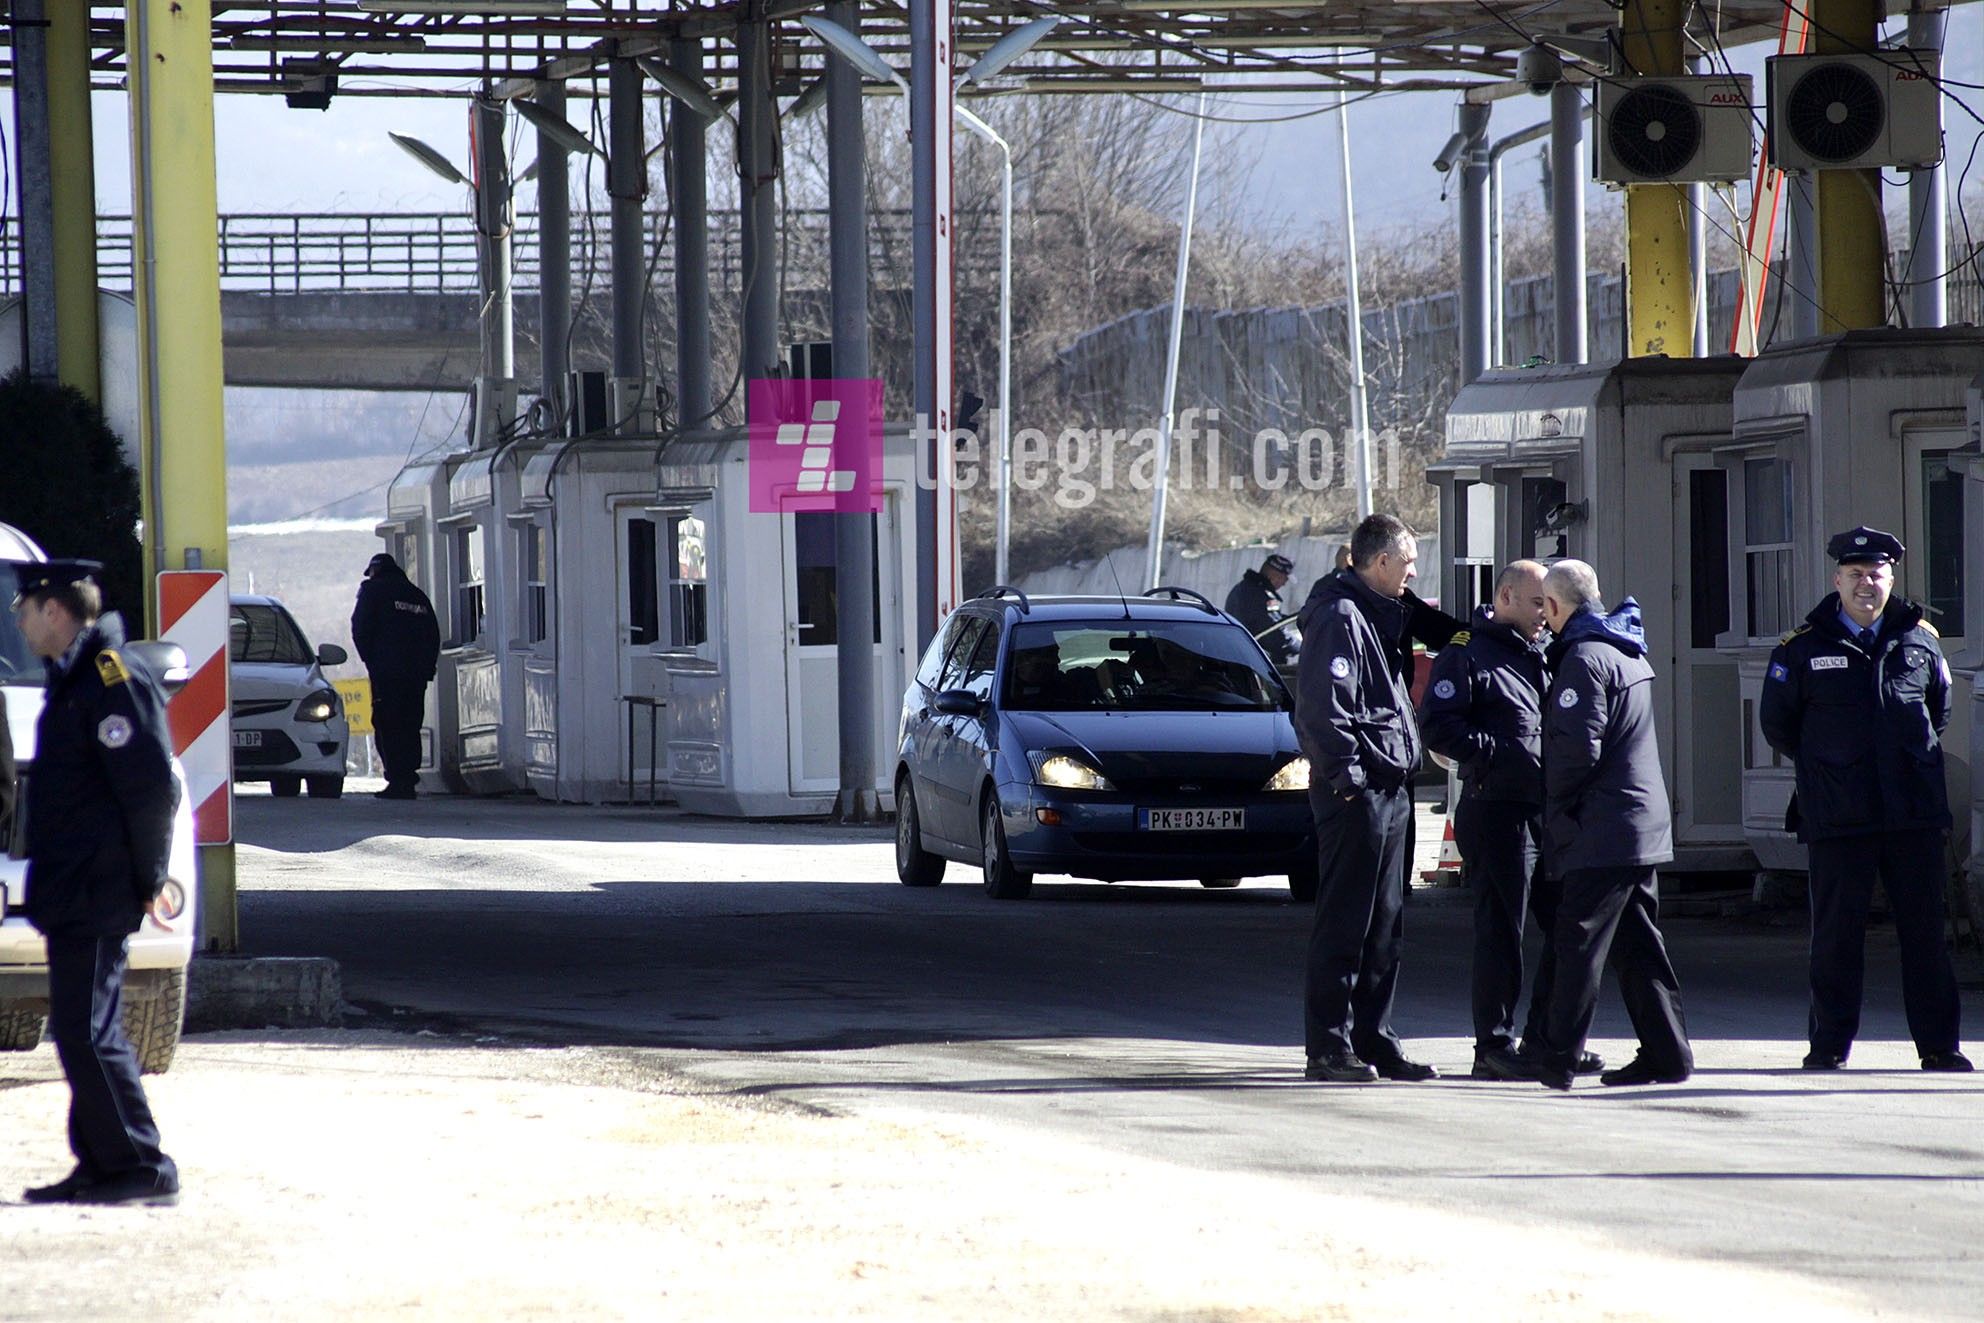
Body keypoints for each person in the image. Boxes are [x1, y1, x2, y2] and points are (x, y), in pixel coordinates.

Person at [1759, 527, 1970, 1073]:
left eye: (1875, 575)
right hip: (1837, 815)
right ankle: (1829, 1045)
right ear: (1837, 581)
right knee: (1835, 938)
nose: (1866, 585)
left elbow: (1937, 713)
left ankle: (1939, 1046)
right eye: (1855, 575)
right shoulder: (1802, 647)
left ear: (1890, 579)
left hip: (1912, 815)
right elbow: (1779, 725)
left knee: (1925, 936)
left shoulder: (1920, 640)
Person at [11, 560, 180, 1206]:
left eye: (23, 610)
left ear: (55, 610)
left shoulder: (113, 676)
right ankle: (102, 1163)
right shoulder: (76, 677)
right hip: (70, 885)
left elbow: (149, 787)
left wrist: (149, 877)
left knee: (89, 1030)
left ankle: (141, 1162)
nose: (19, 624)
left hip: (98, 885)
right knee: (80, 1029)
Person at [1418, 560, 1601, 1082]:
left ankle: (1547, 1040)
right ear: (1504, 597)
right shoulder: (1467, 653)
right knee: (1502, 932)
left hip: (1548, 810)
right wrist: (1499, 753)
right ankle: (1493, 1046)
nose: (1546, 614)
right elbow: (1438, 726)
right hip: (1497, 808)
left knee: (1566, 927)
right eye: (1536, 602)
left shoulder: (1546, 652)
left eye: (1549, 603)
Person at [1292, 513, 1449, 1084]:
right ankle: (1328, 1049)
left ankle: (1375, 1040)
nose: (1412, 572)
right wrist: (1351, 782)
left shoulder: (1379, 613)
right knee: (1346, 923)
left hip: (1391, 791)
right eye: (1407, 563)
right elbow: (1321, 713)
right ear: (1379, 561)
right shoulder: (1339, 617)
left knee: (1385, 925)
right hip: (1357, 796)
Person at [1530, 561, 1692, 1092]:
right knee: (1638, 945)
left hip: (1603, 827)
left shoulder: (1583, 660)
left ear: (1555, 607)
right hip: (1638, 826)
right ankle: (1668, 1053)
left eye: (1544, 609)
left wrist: (1555, 806)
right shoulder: (1624, 647)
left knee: (1577, 943)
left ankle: (1555, 1056)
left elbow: (1576, 751)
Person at [351, 552, 441, 800]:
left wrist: (372, 661)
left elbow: (360, 627)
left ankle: (397, 778)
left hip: (387, 674)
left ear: (375, 571)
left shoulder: (373, 591)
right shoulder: (416, 594)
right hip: (415, 676)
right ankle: (407, 778)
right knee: (410, 723)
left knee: (387, 722)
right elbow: (432, 634)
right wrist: (426, 668)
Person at [1225, 553, 1298, 666]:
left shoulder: (1241, 588)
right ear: (1274, 575)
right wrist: (1298, 646)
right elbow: (1273, 634)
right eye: (1284, 579)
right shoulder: (1263, 596)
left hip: (1240, 657)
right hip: (1259, 663)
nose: (1284, 584)